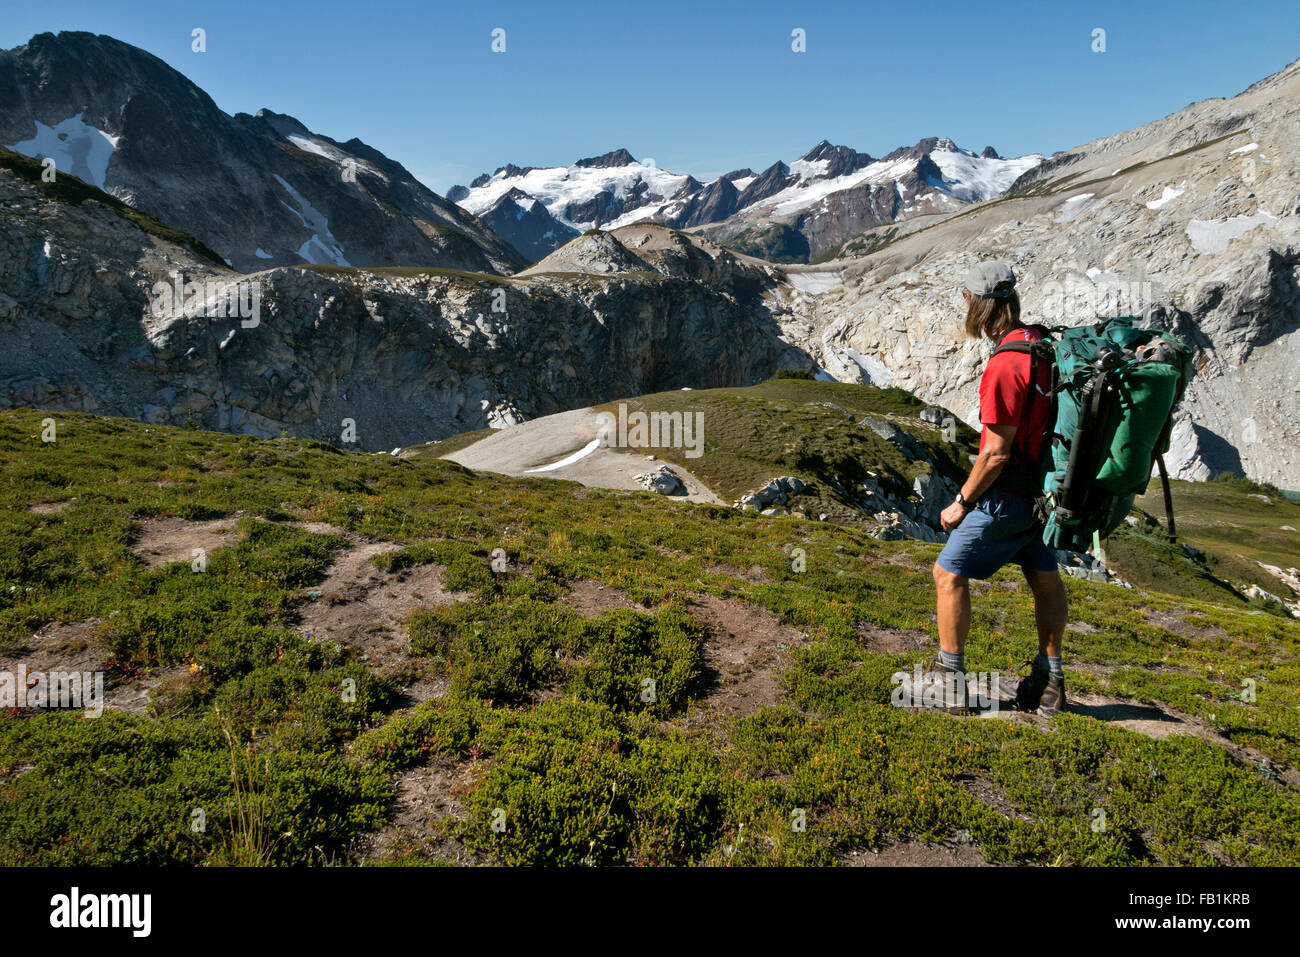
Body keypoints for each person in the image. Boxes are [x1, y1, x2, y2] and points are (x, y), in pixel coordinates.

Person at [902, 261, 1068, 715]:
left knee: (948, 574)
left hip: (1009, 497)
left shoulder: (1004, 366)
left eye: (966, 300)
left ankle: (950, 682)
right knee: (1044, 579)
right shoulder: (1042, 344)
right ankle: (1049, 684)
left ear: (978, 304)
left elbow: (995, 453)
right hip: (1049, 494)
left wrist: (960, 501)